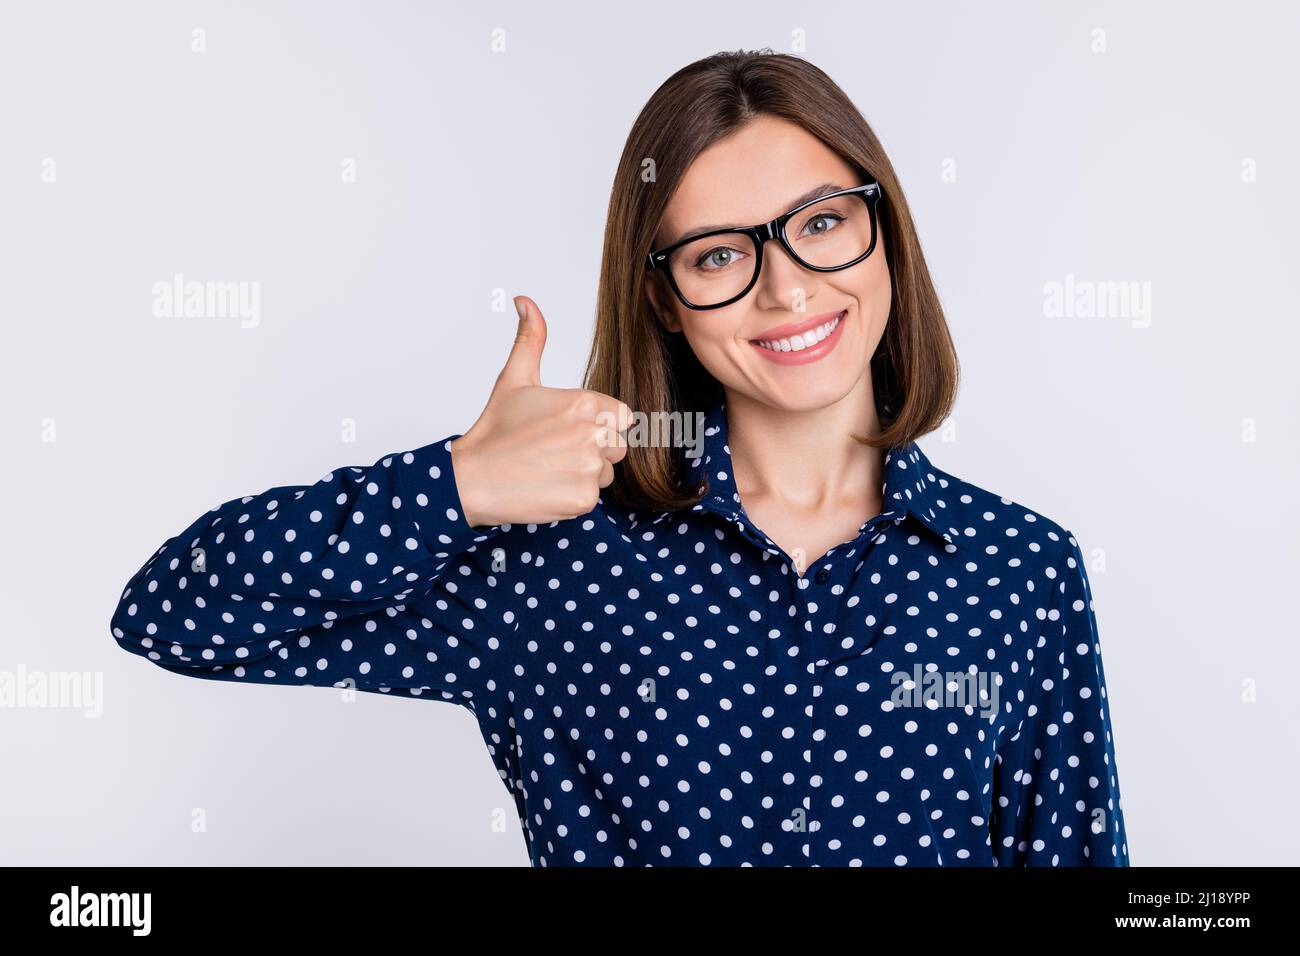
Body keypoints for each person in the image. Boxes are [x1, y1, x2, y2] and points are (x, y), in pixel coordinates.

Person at [110, 49, 1129, 867]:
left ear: (882, 232)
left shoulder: (1020, 568)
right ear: (664, 297)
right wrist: (454, 484)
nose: (785, 289)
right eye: (721, 253)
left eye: (821, 222)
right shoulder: (552, 557)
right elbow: (172, 612)